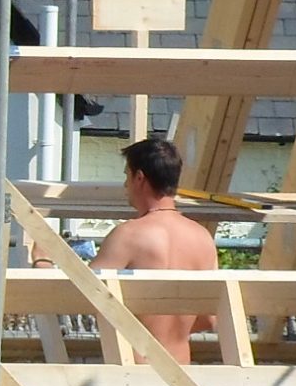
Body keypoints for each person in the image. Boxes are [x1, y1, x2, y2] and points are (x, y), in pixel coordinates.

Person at [92, 136, 219, 364]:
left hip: (132, 370)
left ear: (139, 177)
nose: (125, 185)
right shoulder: (203, 238)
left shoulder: (128, 236)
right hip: (180, 372)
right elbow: (209, 319)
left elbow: (80, 296)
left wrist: (42, 261)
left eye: (126, 176)